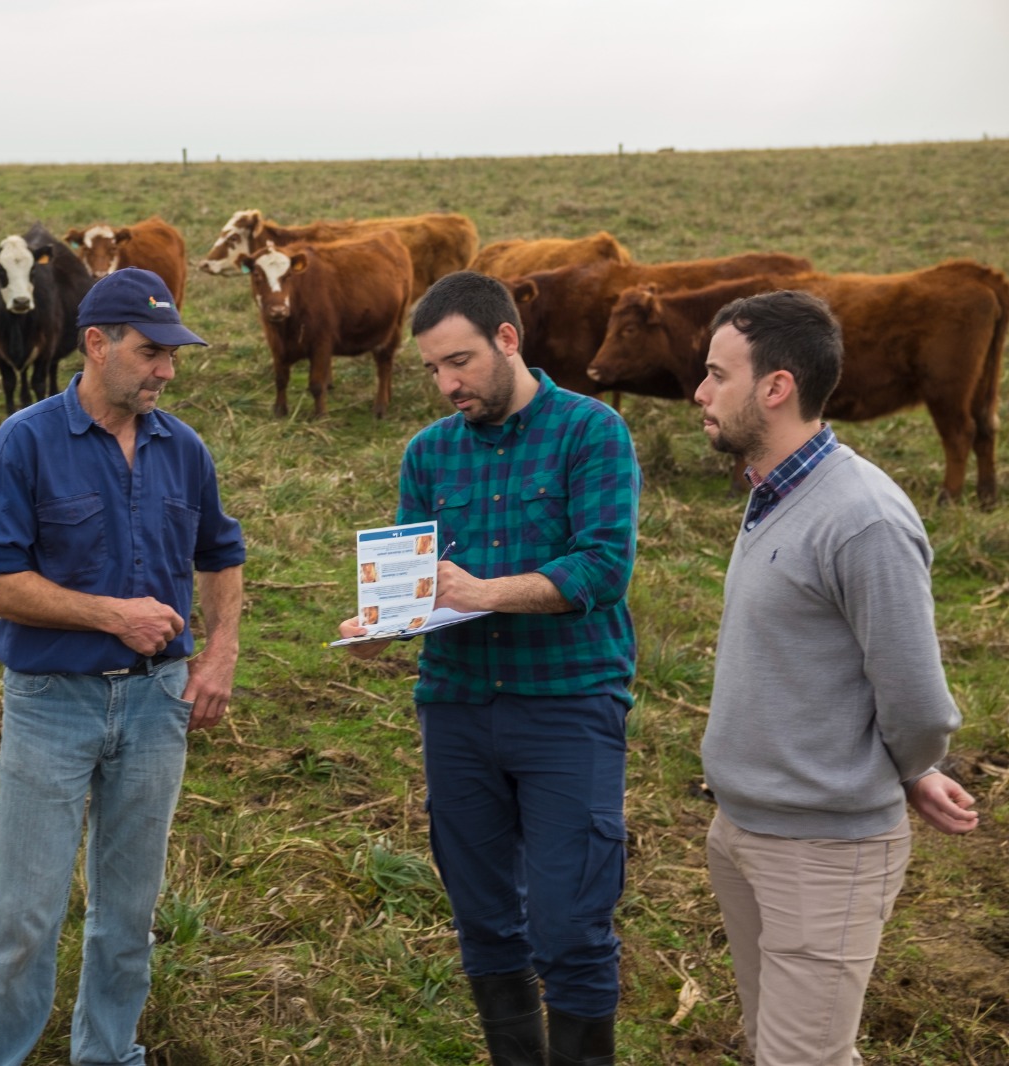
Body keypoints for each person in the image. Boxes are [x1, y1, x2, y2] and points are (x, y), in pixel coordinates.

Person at [339, 271, 640, 1066]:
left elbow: (604, 568)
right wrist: (379, 630)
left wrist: (488, 591)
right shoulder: (428, 453)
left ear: (509, 339)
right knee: (481, 916)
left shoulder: (592, 432)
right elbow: (413, 583)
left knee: (571, 922)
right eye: (433, 369)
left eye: (460, 362)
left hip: (568, 706)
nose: (447, 385)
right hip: (458, 708)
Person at [0, 267, 245, 1066]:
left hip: (158, 707)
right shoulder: (23, 443)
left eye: (174, 356)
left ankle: (108, 1055)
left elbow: (221, 553)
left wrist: (218, 655)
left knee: (128, 913)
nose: (166, 371)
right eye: (152, 352)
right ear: (96, 343)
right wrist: (110, 614)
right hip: (52, 703)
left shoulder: (183, 448)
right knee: (24, 915)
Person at [694, 289, 977, 1065]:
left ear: (776, 387)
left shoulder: (864, 519)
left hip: (821, 851)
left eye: (718, 375)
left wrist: (904, 768)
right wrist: (903, 771)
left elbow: (918, 704)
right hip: (746, 829)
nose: (700, 392)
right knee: (776, 1046)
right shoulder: (775, 492)